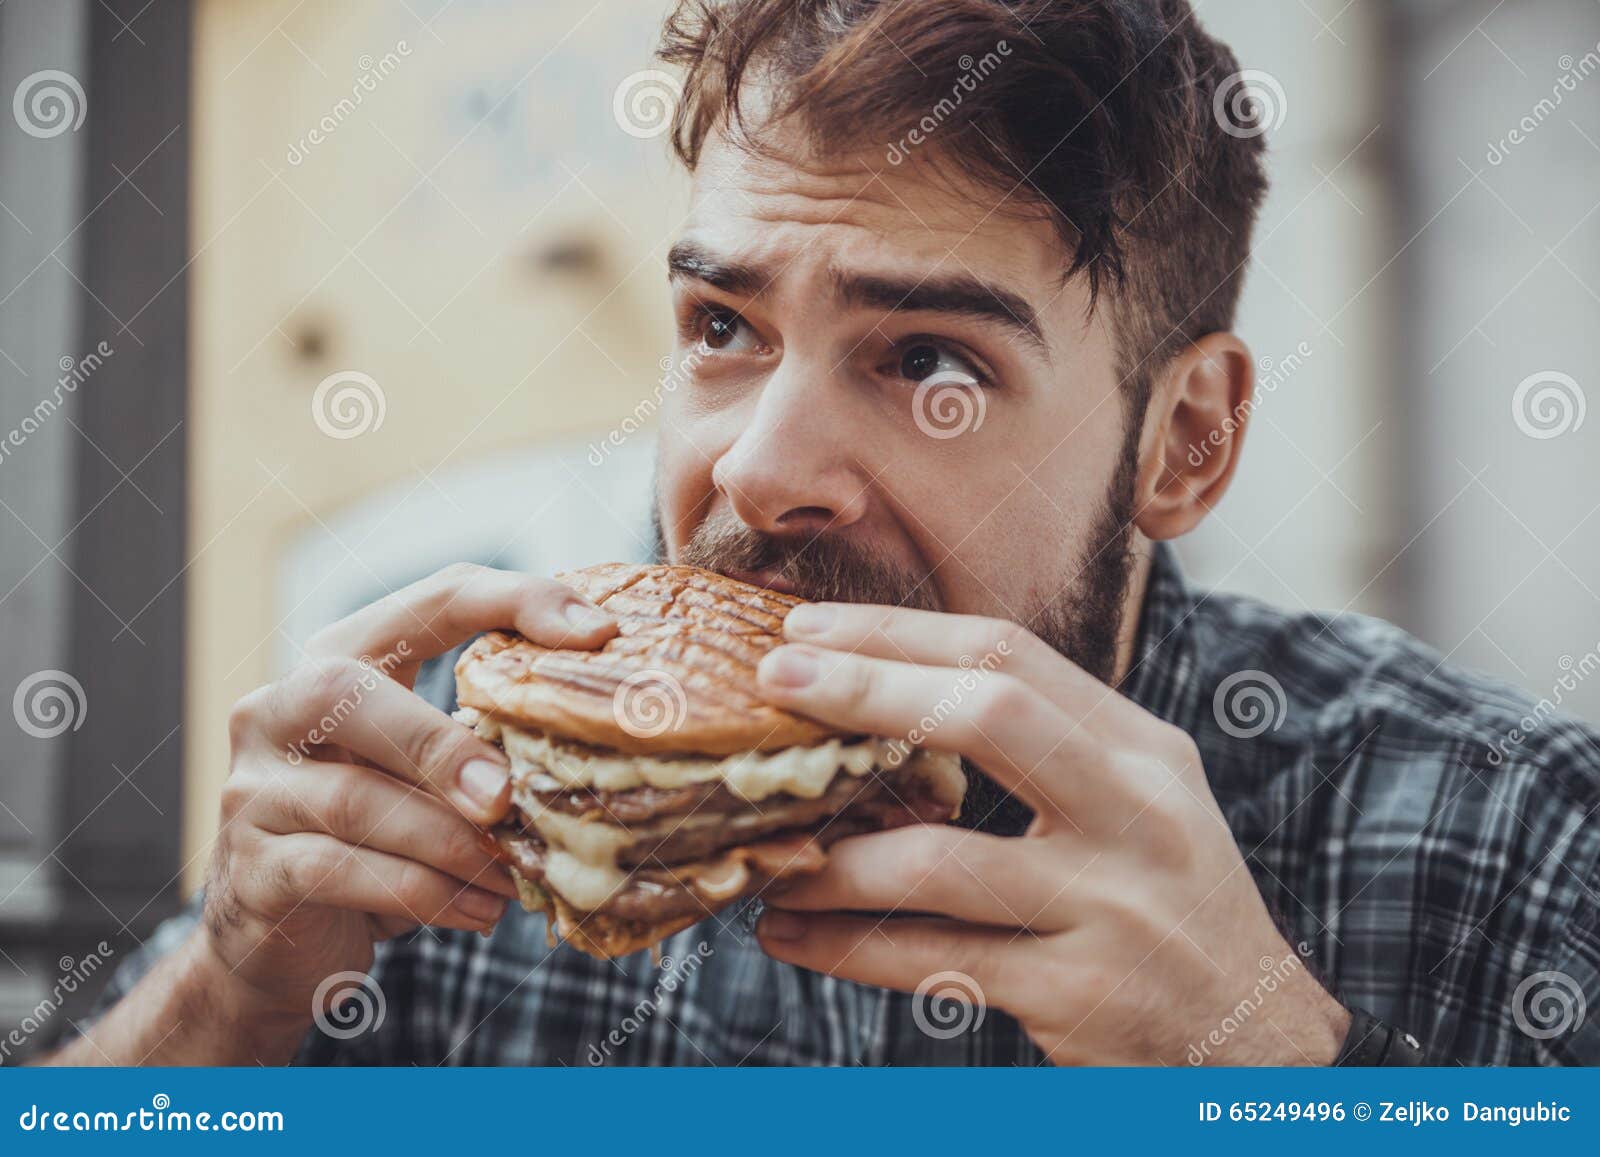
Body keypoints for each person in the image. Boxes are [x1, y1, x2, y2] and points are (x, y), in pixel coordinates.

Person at [49, 0, 1598, 1067]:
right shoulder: (479, 785)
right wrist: (231, 988)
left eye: (929, 359)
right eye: (722, 323)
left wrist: (1274, 1084)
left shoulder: (1509, 841)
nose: (762, 471)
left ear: (1185, 440)